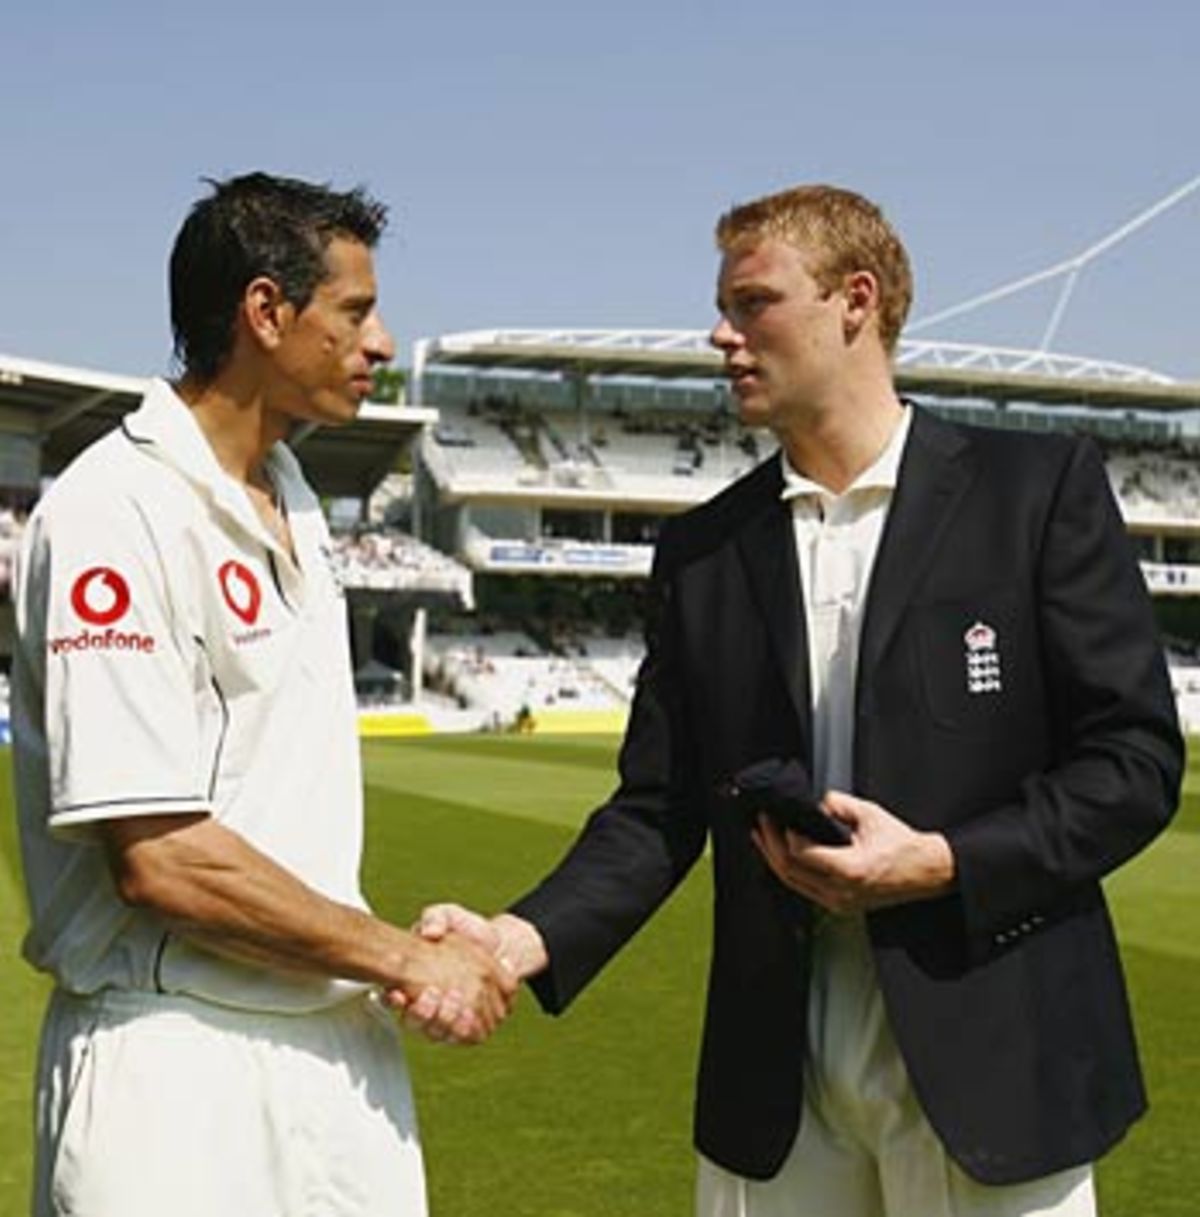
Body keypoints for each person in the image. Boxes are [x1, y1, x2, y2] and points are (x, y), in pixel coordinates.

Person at [412, 184, 1184, 1216]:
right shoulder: (703, 550)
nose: (721, 333)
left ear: (853, 301)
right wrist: (515, 938)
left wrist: (942, 862)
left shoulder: (1035, 492)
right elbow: (657, 807)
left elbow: (1132, 761)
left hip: (992, 1053)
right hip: (775, 1079)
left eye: (753, 302)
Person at [11, 172, 515, 1217]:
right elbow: (161, 855)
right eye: (357, 310)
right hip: (176, 1065)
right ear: (265, 311)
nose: (380, 343)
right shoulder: (117, 506)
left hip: (334, 1058)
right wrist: (403, 955)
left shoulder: (295, 497)